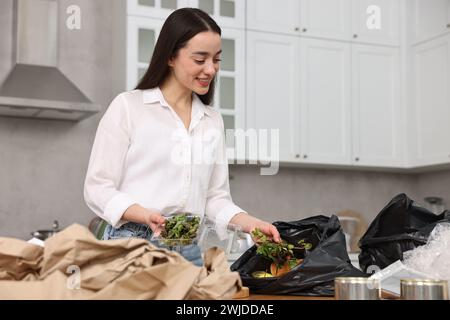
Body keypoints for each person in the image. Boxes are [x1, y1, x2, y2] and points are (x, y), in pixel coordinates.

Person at [83, 8, 280, 266]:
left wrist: (251, 224)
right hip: (131, 245)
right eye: (200, 59)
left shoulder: (212, 121)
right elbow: (97, 188)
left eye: (217, 59)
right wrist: (144, 215)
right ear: (170, 57)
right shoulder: (129, 107)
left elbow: (215, 198)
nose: (211, 69)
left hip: (188, 249)